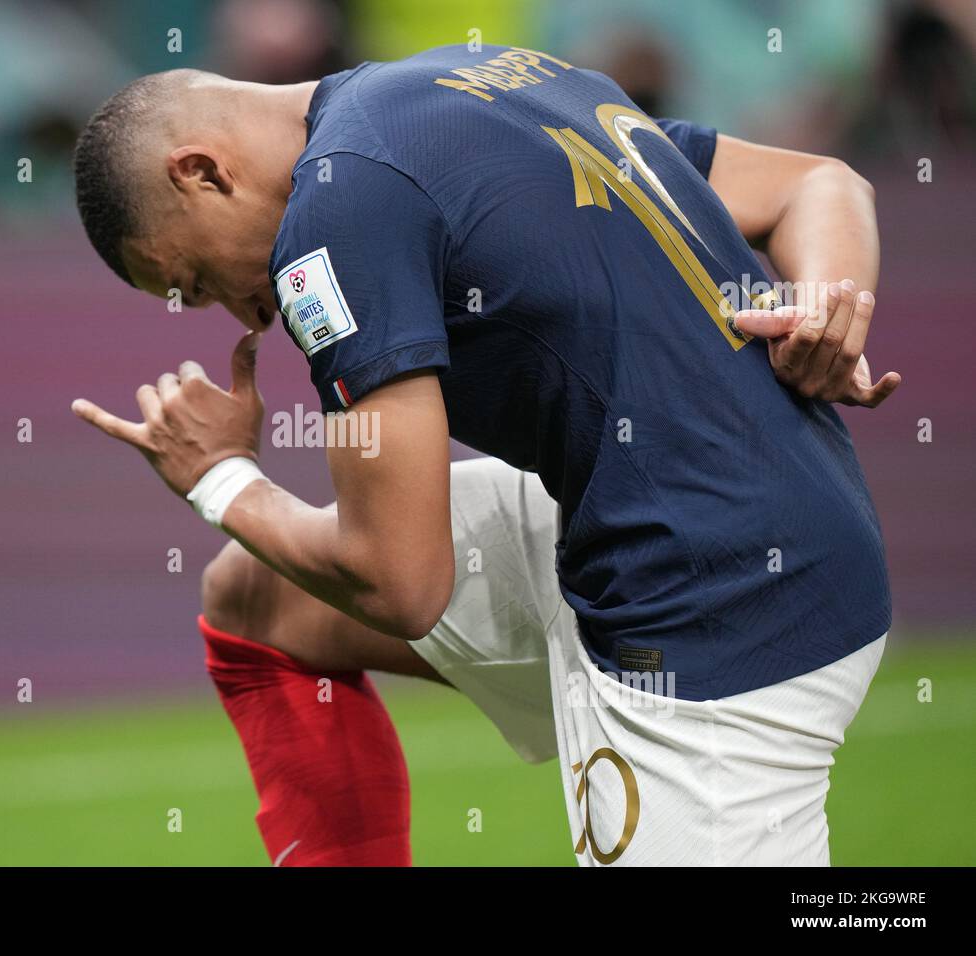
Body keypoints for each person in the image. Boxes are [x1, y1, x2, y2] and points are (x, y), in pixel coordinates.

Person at [71, 45, 899, 865]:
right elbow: (819, 184)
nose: (239, 317)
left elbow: (402, 582)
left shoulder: (331, 219)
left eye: (195, 280)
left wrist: (219, 479)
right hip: (734, 522)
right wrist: (830, 300)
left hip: (715, 613)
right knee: (259, 599)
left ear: (201, 173)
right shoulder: (487, 76)